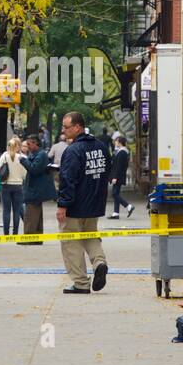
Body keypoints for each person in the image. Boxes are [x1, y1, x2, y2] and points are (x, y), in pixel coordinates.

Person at [55, 111, 109, 294]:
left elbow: (68, 179)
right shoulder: (101, 147)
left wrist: (63, 204)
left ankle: (81, 283)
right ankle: (99, 262)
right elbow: (106, 172)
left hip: (75, 206)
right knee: (91, 236)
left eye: (66, 127)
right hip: (94, 203)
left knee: (71, 243)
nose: (63, 130)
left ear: (78, 127)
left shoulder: (72, 151)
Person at [19, 133, 53, 245]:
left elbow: (34, 169)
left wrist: (23, 160)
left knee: (30, 214)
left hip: (35, 189)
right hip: (36, 188)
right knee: (37, 214)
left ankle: (29, 237)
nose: (27, 146)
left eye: (29, 144)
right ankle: (37, 237)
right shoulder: (37, 154)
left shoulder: (41, 155)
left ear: (35, 143)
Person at [0, 136, 25, 235]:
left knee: (6, 211)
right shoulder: (22, 158)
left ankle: (6, 233)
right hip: (18, 186)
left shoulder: (4, 156)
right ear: (17, 146)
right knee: (17, 211)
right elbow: (25, 173)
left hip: (6, 186)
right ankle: (15, 232)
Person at [107, 134, 135, 219]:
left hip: (118, 176)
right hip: (118, 176)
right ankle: (116, 213)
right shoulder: (121, 151)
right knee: (116, 193)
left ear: (119, 142)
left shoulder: (122, 152)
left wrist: (115, 177)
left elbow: (118, 166)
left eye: (116, 141)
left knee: (114, 194)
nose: (115, 142)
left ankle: (128, 206)